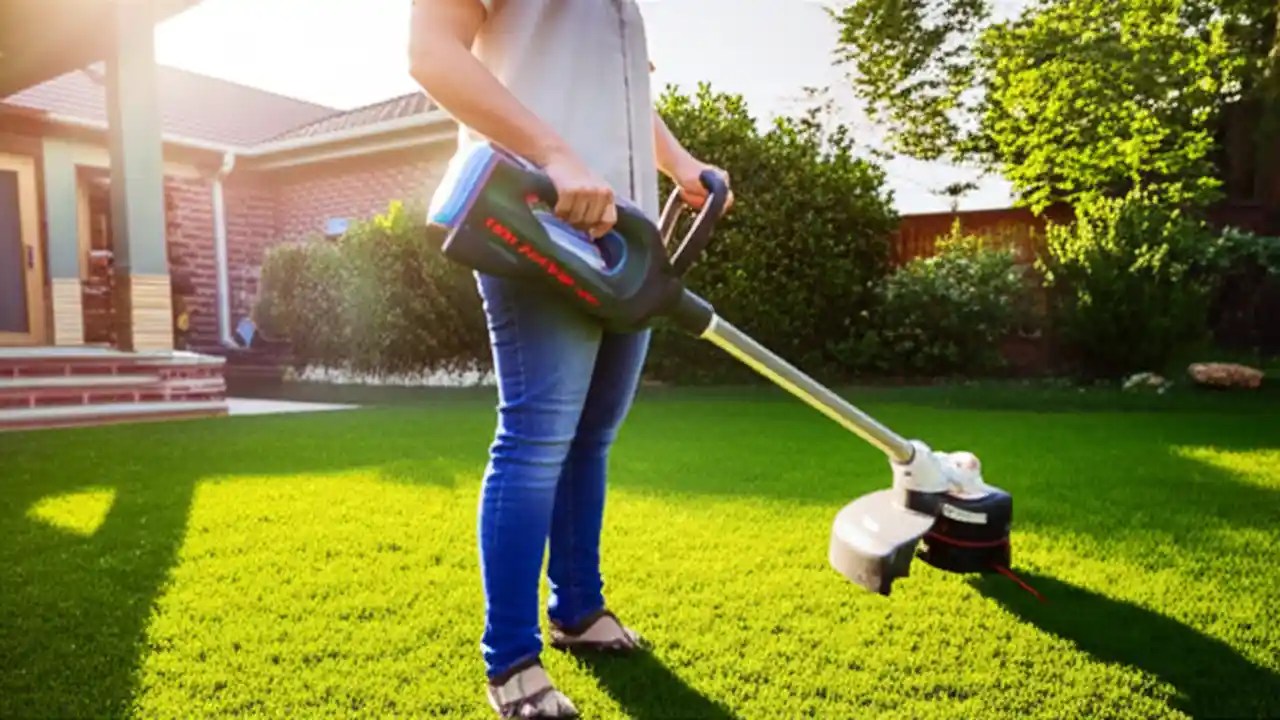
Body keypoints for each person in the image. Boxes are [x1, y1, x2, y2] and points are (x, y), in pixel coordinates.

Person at [408, 1, 733, 717]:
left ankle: (579, 612)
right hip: (536, 213)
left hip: (629, 238)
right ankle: (512, 660)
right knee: (537, 441)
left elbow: (617, 94)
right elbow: (431, 52)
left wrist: (679, 164)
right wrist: (554, 157)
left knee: (592, 439)